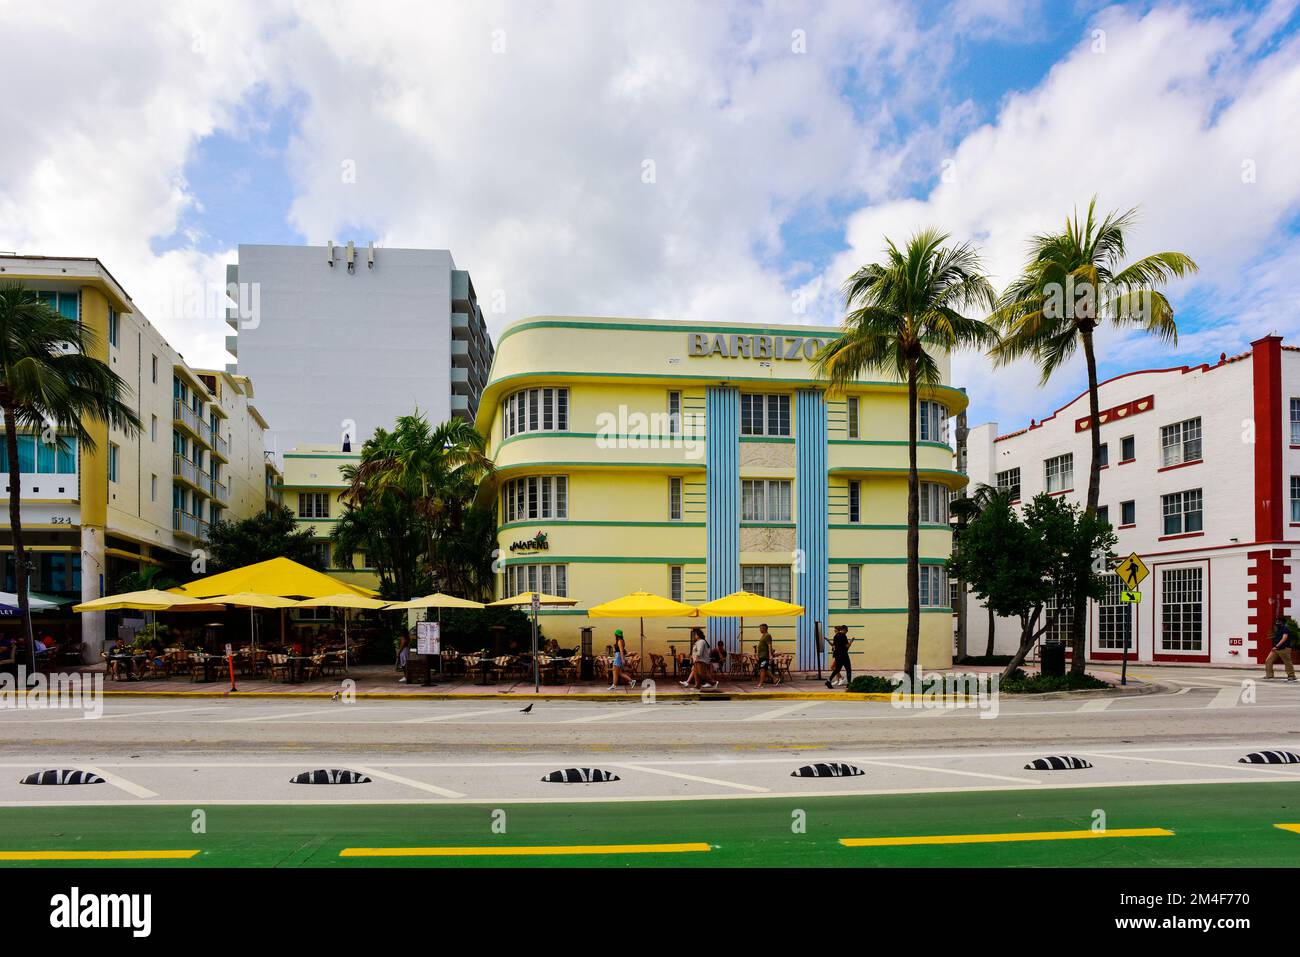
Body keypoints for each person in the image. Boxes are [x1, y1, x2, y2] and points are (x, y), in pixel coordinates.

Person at [1265, 613, 1297, 681]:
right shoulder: (1278, 629)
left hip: (1284, 648)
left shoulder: (1285, 629)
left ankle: (1291, 676)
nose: (1277, 622)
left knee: (1287, 662)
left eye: (1278, 621)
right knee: (1268, 660)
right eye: (1276, 621)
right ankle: (1269, 675)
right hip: (1276, 649)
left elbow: (1284, 638)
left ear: (1282, 622)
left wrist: (1277, 645)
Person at [826, 624, 855, 688]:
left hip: (837, 655)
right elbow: (847, 646)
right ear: (844, 630)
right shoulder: (843, 636)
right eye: (846, 631)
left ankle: (828, 681)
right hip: (844, 655)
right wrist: (851, 642)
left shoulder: (835, 636)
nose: (847, 632)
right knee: (848, 669)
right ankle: (849, 684)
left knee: (837, 669)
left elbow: (834, 646)